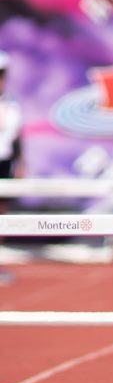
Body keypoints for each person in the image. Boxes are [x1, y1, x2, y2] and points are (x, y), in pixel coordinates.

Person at [0, 51, 23, 285]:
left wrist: (21, 162)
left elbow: (17, 137)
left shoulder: (11, 104)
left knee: (2, 214)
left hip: (4, 162)